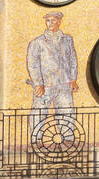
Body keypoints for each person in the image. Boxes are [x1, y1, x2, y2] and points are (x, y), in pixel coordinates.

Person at [26, 12, 78, 145]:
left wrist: (73, 79)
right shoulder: (37, 42)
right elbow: (32, 64)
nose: (49, 23)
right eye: (47, 20)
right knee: (38, 112)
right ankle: (36, 140)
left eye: (52, 20)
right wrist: (38, 83)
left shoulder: (67, 40)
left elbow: (72, 60)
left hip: (64, 83)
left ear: (59, 21)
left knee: (66, 111)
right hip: (45, 85)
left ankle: (68, 141)